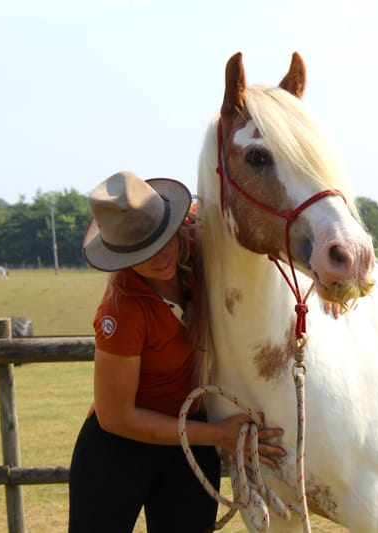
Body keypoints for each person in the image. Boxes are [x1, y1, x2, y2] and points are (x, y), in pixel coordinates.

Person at [68, 171, 288, 533]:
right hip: (118, 450)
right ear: (121, 256)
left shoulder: (201, 244)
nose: (158, 257)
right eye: (142, 252)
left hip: (190, 444)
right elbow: (115, 417)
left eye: (161, 241)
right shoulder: (121, 310)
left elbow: (263, 233)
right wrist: (218, 435)